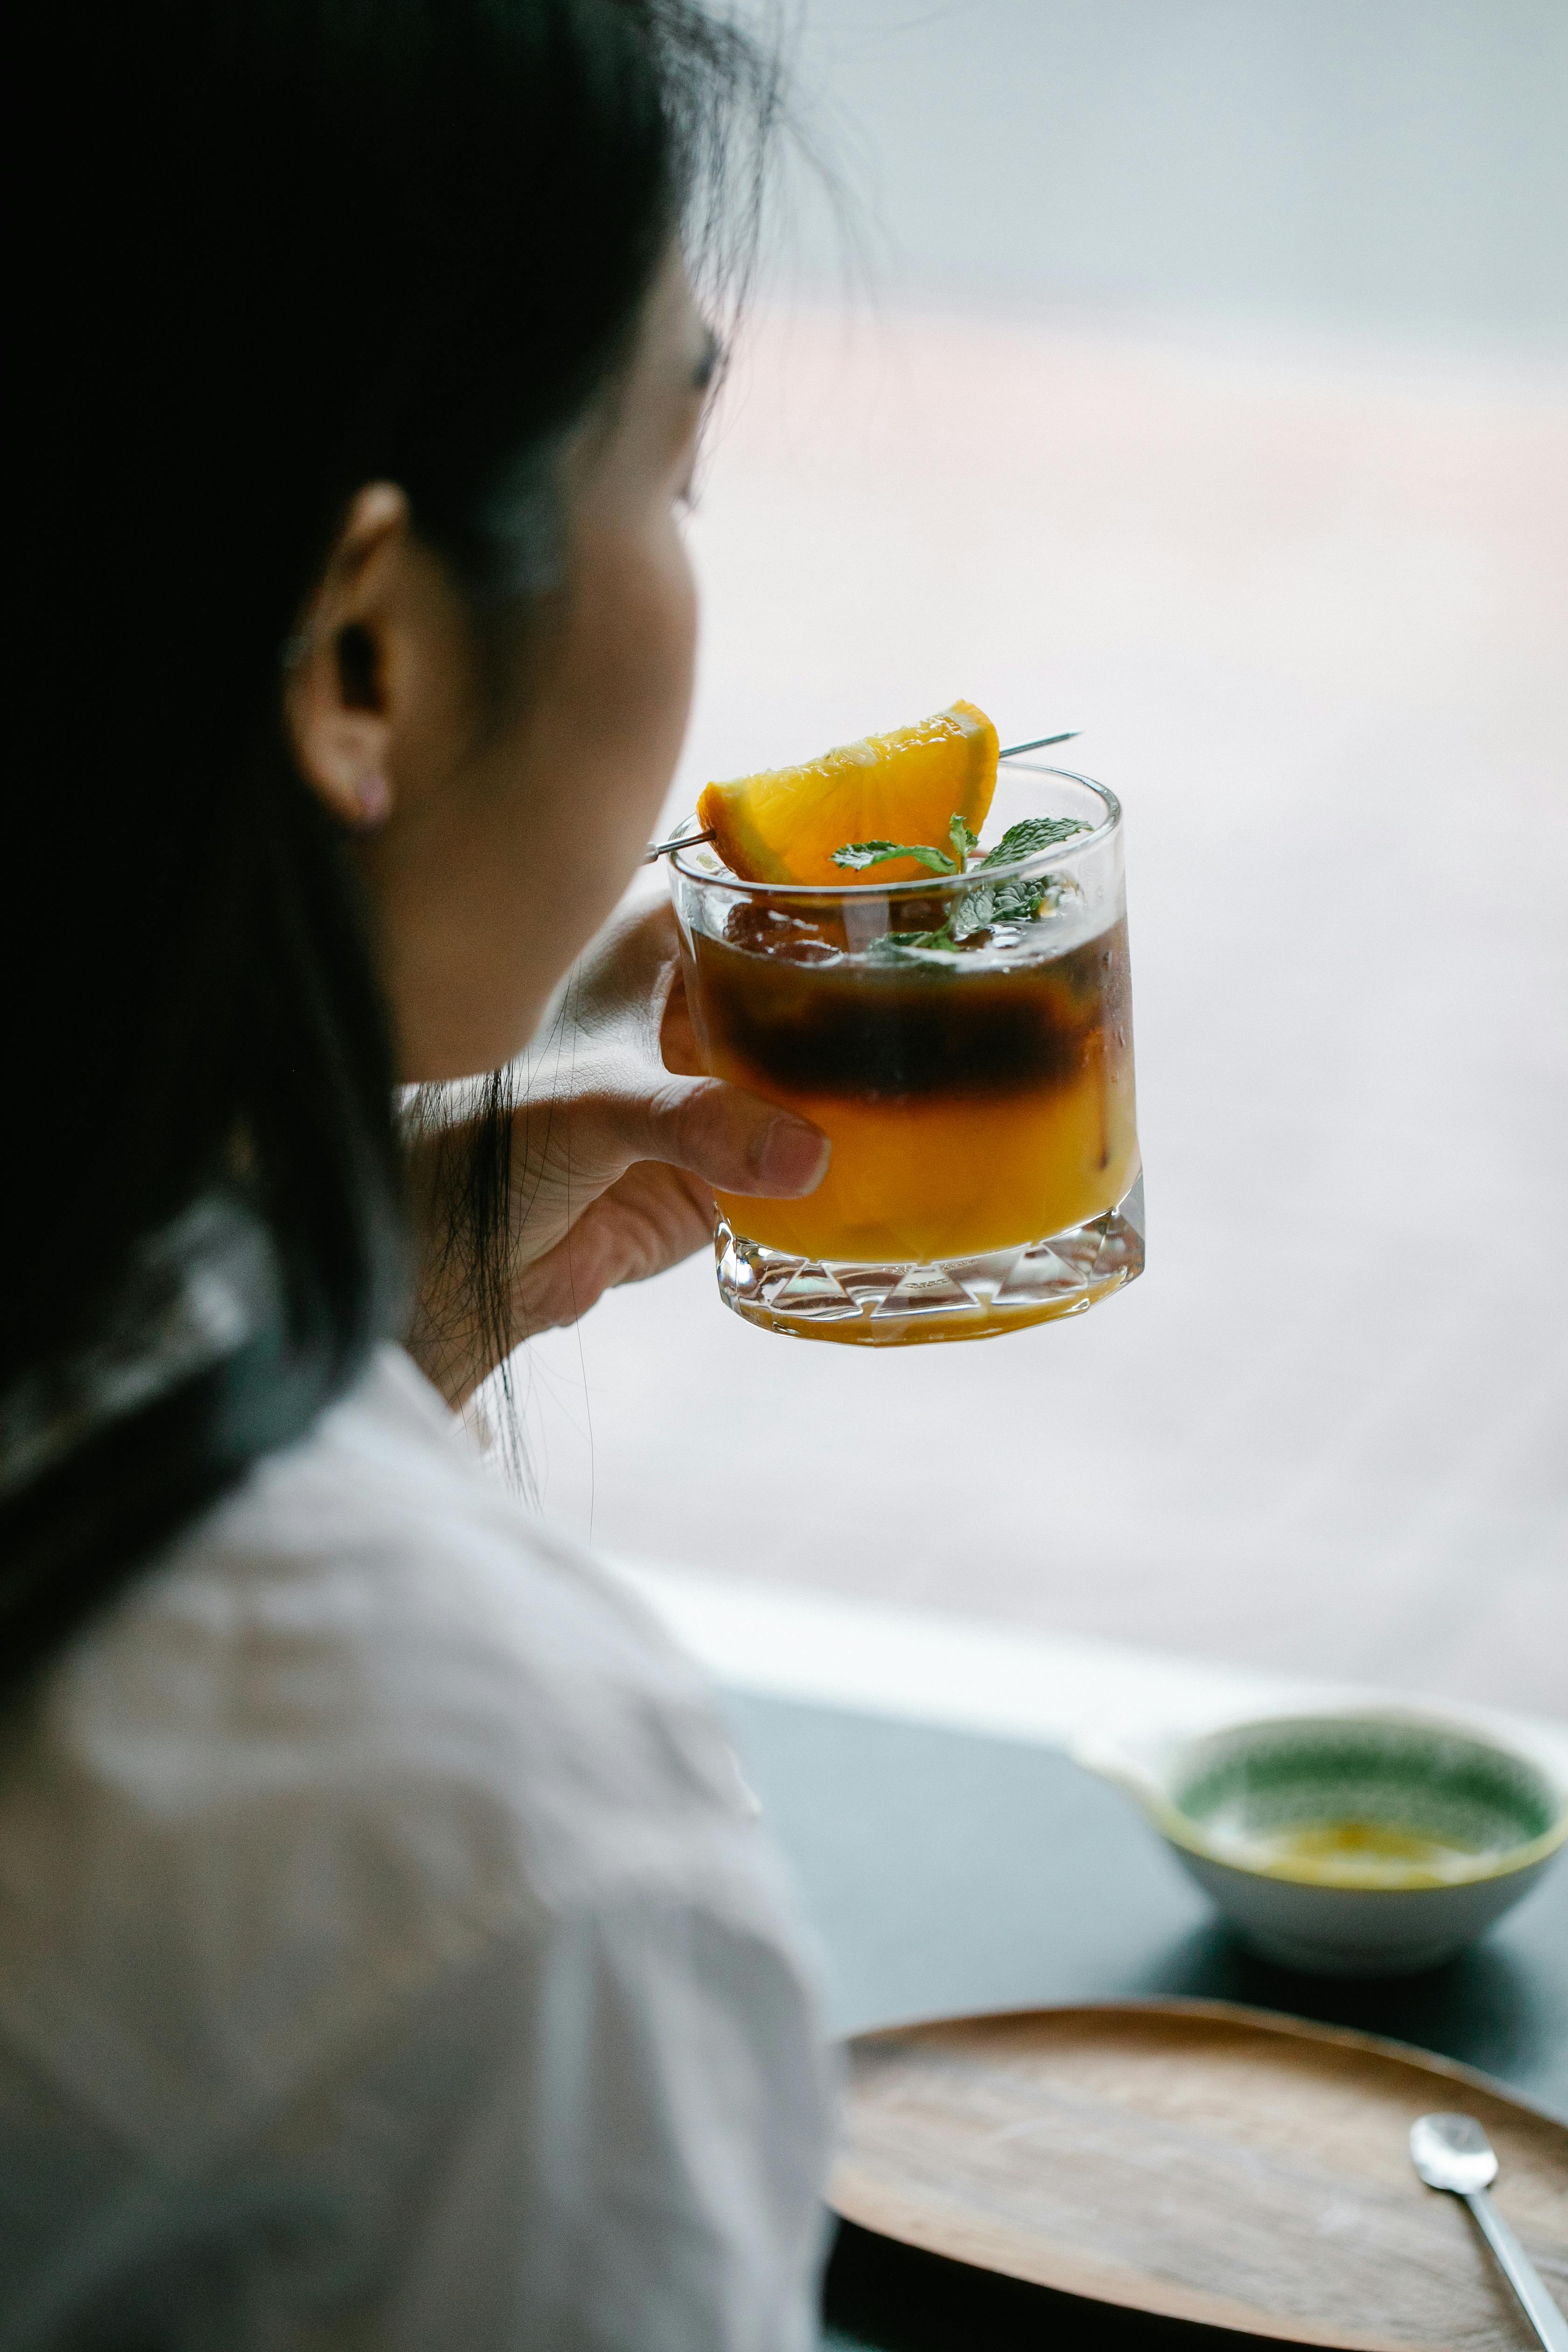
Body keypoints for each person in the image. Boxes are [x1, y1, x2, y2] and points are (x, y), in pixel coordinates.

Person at [0, 3, 840, 2344]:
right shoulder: (499, 1845)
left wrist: (361, 1302)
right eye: (670, 470)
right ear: (362, 654)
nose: (689, 557)